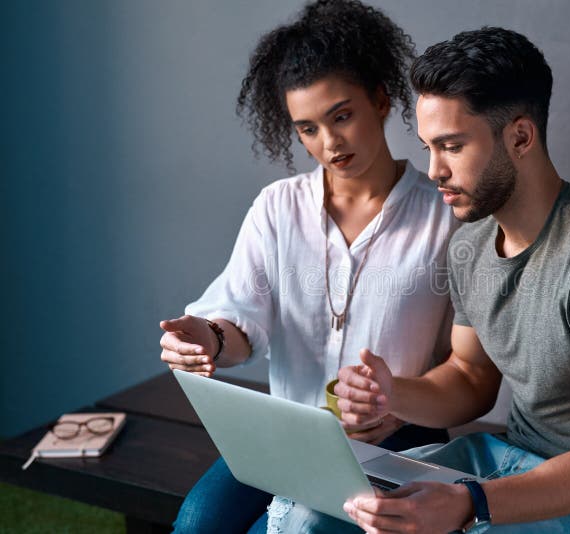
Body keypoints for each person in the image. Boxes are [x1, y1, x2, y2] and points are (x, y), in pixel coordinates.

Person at [277, 26, 570, 534]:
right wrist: (393, 394)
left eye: (451, 146)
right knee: (307, 511)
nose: (433, 171)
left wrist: (471, 503)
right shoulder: (470, 245)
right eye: (429, 147)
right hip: (506, 457)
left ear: (519, 136)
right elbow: (471, 378)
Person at [158, 1, 460, 532]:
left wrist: (401, 402)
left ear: (381, 100)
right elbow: (238, 321)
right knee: (196, 522)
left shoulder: (445, 215)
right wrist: (205, 338)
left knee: (291, 529)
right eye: (307, 129)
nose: (329, 143)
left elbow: (469, 367)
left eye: (341, 116)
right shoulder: (278, 206)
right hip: (284, 430)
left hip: (398, 437)